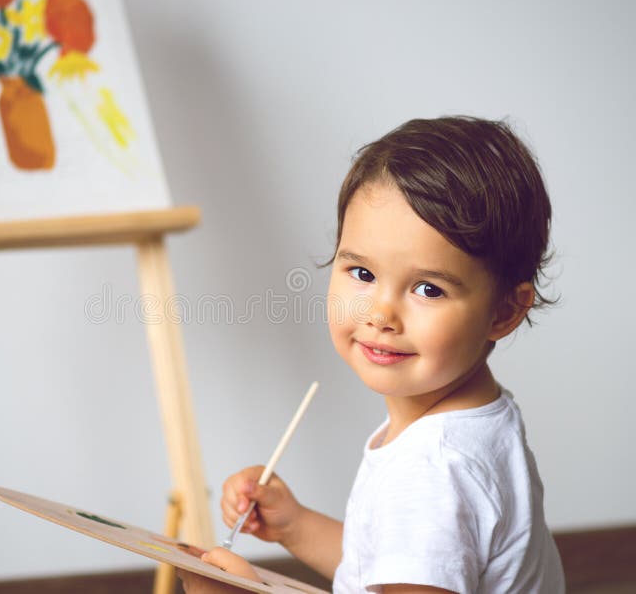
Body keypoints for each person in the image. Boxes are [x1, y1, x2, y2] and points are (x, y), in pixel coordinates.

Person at [179, 115, 566, 593]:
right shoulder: (470, 423)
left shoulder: (432, 469)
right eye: (362, 274)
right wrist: (295, 526)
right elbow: (388, 566)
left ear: (504, 312)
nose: (381, 314)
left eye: (428, 288)